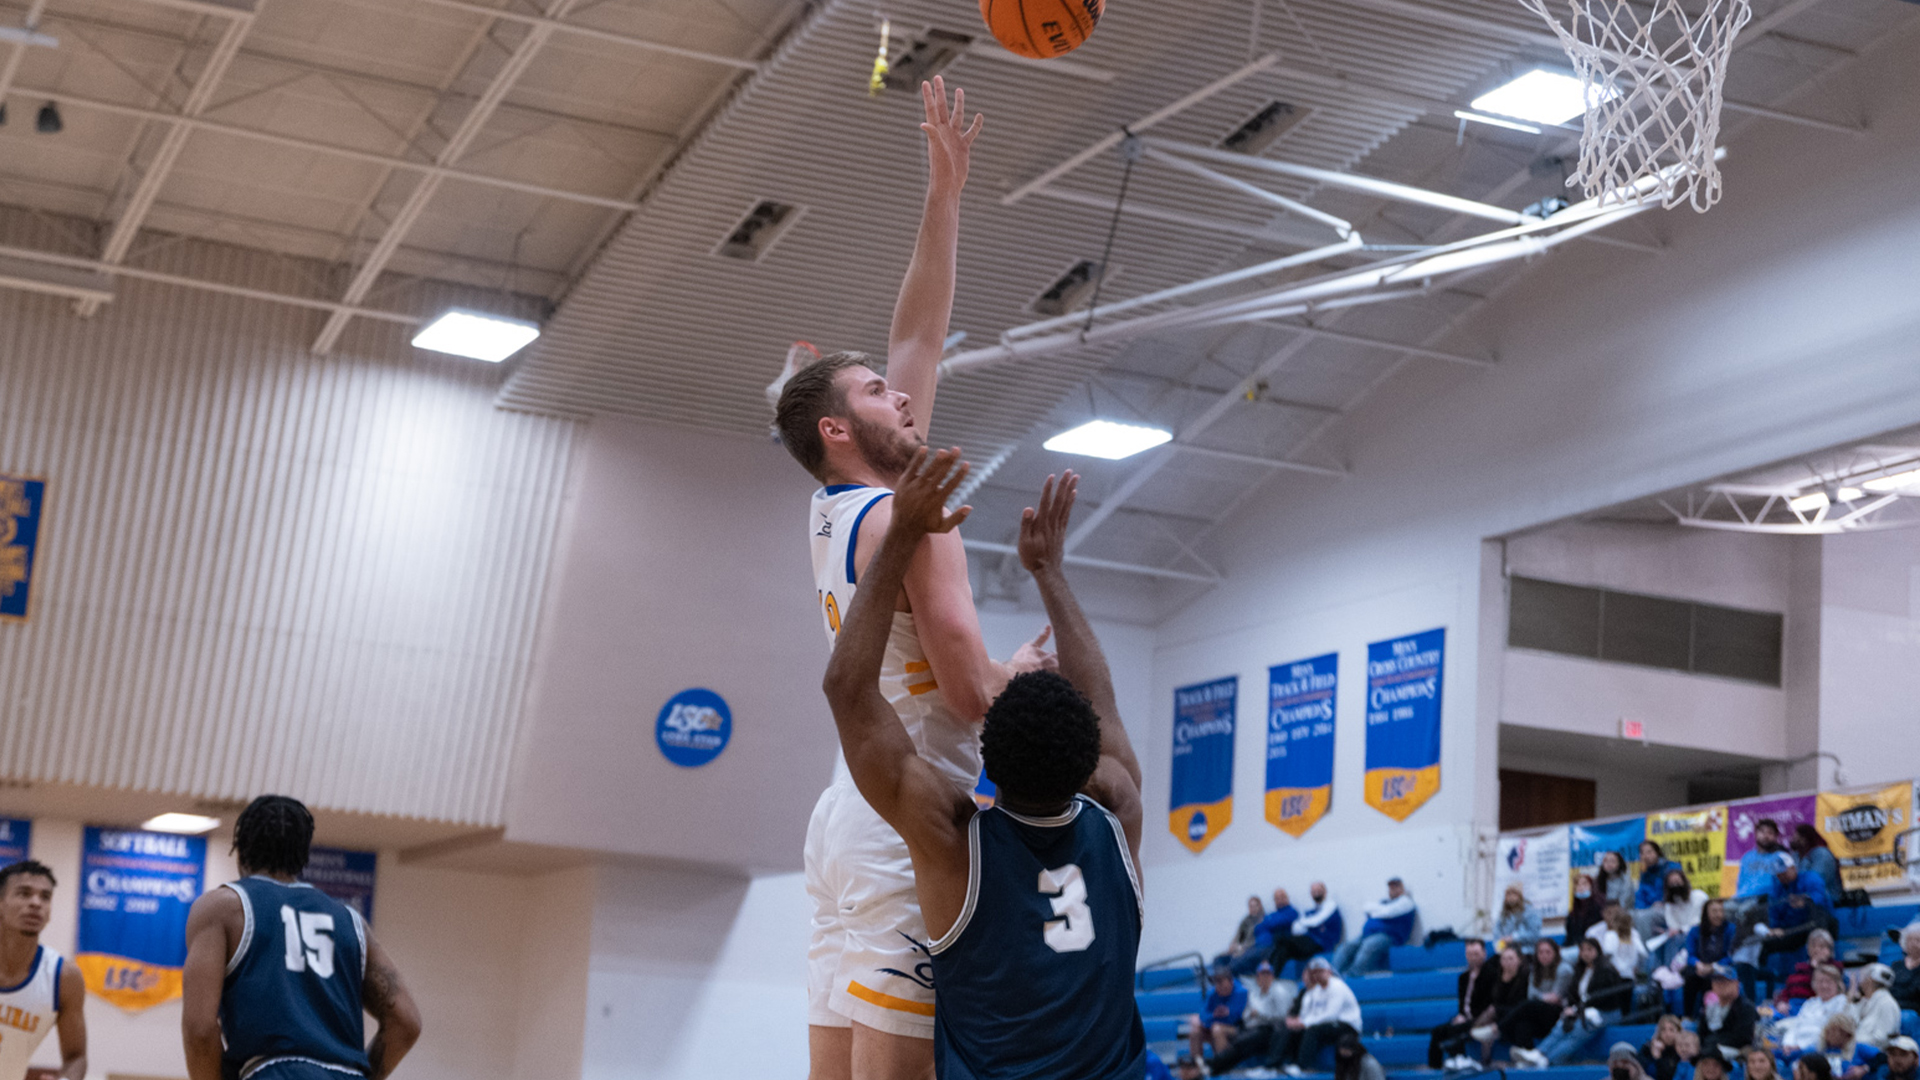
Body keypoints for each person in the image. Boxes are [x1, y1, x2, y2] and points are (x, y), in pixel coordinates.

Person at [781, 81, 1066, 1080]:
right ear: (837, 428)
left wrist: (944, 192)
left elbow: (920, 340)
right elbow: (967, 694)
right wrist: (1024, 673)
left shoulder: (833, 510)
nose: (900, 393)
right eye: (873, 392)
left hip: (842, 816)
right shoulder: (919, 519)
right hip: (908, 820)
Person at [820, 455, 1147, 1080]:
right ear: (1086, 762)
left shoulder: (955, 842)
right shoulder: (1118, 810)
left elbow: (847, 690)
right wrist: (1050, 572)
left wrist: (900, 537)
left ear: (986, 758)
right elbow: (1102, 704)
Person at [182, 795, 421, 1080]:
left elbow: (200, 1029)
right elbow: (406, 1022)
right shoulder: (351, 922)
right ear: (303, 856)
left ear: (240, 850)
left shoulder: (223, 907)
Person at [0, 859, 85, 1080]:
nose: (36, 903)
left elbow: (76, 1057)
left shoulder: (64, 977)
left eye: (45, 897)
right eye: (24, 893)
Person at [1528, 937, 1633, 1067]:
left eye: (1590, 949)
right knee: (1563, 1024)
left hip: (1606, 1012)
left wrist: (1579, 1009)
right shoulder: (1580, 970)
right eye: (1582, 949)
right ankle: (1539, 1053)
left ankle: (1550, 1060)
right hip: (1583, 1010)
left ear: (1597, 951)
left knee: (1579, 1028)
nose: (1586, 953)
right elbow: (1574, 995)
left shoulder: (1606, 970)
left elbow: (1603, 998)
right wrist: (1573, 1008)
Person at [1264, 957, 1362, 1077]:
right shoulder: (1314, 991)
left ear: (1329, 972)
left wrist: (1303, 1023)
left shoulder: (1337, 987)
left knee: (1312, 1030)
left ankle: (1302, 1067)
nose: (1318, 975)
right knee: (1292, 1030)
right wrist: (1298, 1022)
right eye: (1315, 972)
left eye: (1321, 971)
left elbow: (1331, 1015)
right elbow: (1308, 1015)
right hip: (1327, 1024)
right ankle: (1275, 1066)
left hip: (1347, 1025)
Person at [1208, 962, 1298, 1075]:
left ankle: (1212, 1063)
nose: (1264, 977)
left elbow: (1283, 1017)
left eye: (1267, 974)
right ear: (1257, 977)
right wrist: (1251, 1017)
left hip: (1269, 1029)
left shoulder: (1279, 992)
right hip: (1252, 1028)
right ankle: (1216, 1069)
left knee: (1243, 1042)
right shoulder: (1254, 994)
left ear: (1272, 976)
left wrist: (1260, 1015)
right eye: (1262, 974)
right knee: (1241, 1047)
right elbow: (1246, 1015)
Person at [1488, 939, 1566, 1064]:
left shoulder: (1564, 969)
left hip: (1558, 1014)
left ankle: (1497, 1028)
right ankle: (1525, 1059)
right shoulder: (1534, 970)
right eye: (1541, 952)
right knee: (1523, 1023)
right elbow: (1532, 995)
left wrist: (1541, 998)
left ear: (1555, 953)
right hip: (1539, 1013)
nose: (1544, 955)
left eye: (1548, 952)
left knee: (1526, 1006)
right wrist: (1543, 997)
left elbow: (1556, 997)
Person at [1428, 939, 1495, 1069]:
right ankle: (1434, 1068)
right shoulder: (1463, 978)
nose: (1473, 958)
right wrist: (1461, 1016)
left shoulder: (1491, 974)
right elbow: (1462, 1003)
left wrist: (1468, 1018)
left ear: (1484, 954)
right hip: (1465, 1017)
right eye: (1469, 954)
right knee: (1437, 1031)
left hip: (1481, 1018)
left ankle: (1460, 1060)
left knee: (1455, 1029)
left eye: (1476, 954)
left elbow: (1489, 1004)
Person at [1331, 880, 1416, 979]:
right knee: (1345, 947)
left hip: (1390, 937)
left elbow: (1388, 912)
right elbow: (1366, 907)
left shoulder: (1406, 902)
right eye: (1391, 887)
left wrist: (1377, 912)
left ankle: (1353, 977)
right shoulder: (1384, 902)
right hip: (1367, 935)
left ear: (1402, 888)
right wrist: (1381, 911)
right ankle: (1333, 976)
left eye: (1396, 887)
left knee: (1369, 945)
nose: (1393, 890)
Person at [1730, 821, 1797, 928]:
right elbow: (1741, 882)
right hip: (1740, 899)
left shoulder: (1781, 856)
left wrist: (1781, 866)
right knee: (1721, 909)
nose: (1766, 836)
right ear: (1756, 834)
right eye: (1762, 832)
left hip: (1764, 902)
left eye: (1770, 833)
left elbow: (1792, 877)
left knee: (1742, 913)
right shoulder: (1747, 856)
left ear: (1776, 837)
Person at [1763, 863, 1834, 961]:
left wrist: (1806, 900)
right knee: (1767, 941)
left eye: (1784, 872)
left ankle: (1822, 956)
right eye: (1779, 874)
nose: (1782, 876)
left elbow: (1821, 898)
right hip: (1795, 929)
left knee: (1817, 913)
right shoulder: (1777, 889)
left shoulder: (1809, 877)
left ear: (1793, 868)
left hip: (1819, 924)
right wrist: (1775, 929)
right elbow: (1774, 914)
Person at [1682, 899, 1739, 1015]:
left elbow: (1732, 955)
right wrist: (1698, 964)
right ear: (1706, 913)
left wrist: (1714, 966)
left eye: (1721, 911)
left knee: (1711, 979)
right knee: (1690, 976)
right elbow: (1690, 955)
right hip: (1701, 967)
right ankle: (1687, 1016)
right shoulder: (1695, 931)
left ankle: (1707, 1015)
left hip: (1721, 967)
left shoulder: (1731, 929)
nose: (1718, 915)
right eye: (1714, 911)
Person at [1782, 966, 1853, 1058]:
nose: (1824, 986)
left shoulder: (1842, 1003)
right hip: (1795, 1046)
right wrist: (1787, 1044)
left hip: (1818, 1048)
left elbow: (1829, 1033)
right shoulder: (1810, 1003)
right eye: (1820, 982)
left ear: (1837, 984)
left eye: (1828, 981)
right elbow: (1795, 1026)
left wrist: (1801, 1046)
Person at [1232, 890, 1302, 976]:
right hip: (1256, 946)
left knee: (1239, 963)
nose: (1279, 900)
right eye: (1276, 898)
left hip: (1269, 947)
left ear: (1287, 898)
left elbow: (1276, 923)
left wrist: (1267, 923)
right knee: (1232, 959)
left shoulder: (1292, 912)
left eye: (1282, 897)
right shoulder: (1270, 915)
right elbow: (1257, 928)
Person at [1650, 869, 1708, 967]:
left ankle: (1673, 972)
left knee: (1678, 939)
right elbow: (1672, 925)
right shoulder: (1670, 905)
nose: (1675, 886)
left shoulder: (1699, 896)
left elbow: (1701, 921)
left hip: (1699, 932)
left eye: (1677, 882)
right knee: (1663, 941)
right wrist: (1670, 931)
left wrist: (1681, 930)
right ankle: (1660, 974)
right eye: (1671, 884)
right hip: (1679, 934)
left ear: (1684, 881)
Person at [1192, 968, 1250, 1064]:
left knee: (1217, 1029)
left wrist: (1224, 1014)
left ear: (1230, 982)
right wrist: (1214, 1015)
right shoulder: (1212, 993)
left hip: (1238, 1029)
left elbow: (1237, 1017)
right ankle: (1196, 1066)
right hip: (1214, 1025)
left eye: (1221, 981)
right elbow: (1203, 1015)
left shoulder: (1241, 992)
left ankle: (1222, 1066)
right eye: (1216, 982)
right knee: (1195, 1031)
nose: (1219, 986)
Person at [1699, 965, 1760, 1055]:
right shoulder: (1710, 1007)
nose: (1719, 984)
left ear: (1736, 983)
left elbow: (1742, 1038)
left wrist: (1711, 1043)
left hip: (1737, 1051)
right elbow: (1701, 1033)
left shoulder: (1746, 1007)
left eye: (1724, 981)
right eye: (1716, 981)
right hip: (1711, 1048)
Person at [1636, 842, 1686, 940]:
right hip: (1652, 909)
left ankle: (1646, 951)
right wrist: (1644, 908)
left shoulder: (1671, 867)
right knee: (1635, 915)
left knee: (1643, 918)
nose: (1646, 856)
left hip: (1671, 906)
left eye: (1649, 852)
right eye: (1643, 853)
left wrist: (1663, 902)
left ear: (1657, 852)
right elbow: (1640, 897)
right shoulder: (1644, 875)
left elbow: (1678, 890)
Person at [1779, 930, 1839, 1007]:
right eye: (1813, 946)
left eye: (1822, 946)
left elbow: (1821, 991)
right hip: (1791, 1006)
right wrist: (1782, 1002)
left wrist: (1815, 968)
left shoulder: (1835, 970)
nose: (1816, 950)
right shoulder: (1799, 968)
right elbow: (1786, 990)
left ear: (1830, 951)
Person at [1593, 903, 1650, 978]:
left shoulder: (1632, 934)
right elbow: (1607, 954)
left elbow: (1643, 954)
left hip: (1625, 975)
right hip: (1618, 975)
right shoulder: (1613, 935)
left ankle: (1641, 985)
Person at [1790, 826, 1843, 903]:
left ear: (1805, 839)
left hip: (1827, 901)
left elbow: (1816, 881)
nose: (1792, 839)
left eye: (1796, 837)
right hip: (1802, 902)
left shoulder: (1822, 854)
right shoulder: (1796, 856)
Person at [1854, 965, 1903, 1051]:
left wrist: (1851, 1043)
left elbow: (1882, 1039)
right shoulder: (1864, 1001)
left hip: (1873, 1055)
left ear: (1869, 981)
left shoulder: (1887, 1004)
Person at [1291, 884, 1344, 961]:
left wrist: (1302, 923)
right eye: (1314, 891)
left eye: (1319, 890)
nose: (1316, 893)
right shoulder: (1310, 912)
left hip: (1326, 944)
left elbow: (1316, 921)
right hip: (1312, 942)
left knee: (1290, 944)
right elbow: (1295, 928)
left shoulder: (1331, 906)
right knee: (1285, 945)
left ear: (1325, 892)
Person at [1223, 897, 1270, 967]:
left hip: (1251, 950)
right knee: (1220, 959)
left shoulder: (1264, 920)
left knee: (1234, 963)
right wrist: (1233, 946)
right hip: (1239, 950)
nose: (1253, 909)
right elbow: (1239, 937)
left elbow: (1257, 940)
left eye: (1255, 906)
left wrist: (1241, 949)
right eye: (1251, 906)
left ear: (1260, 906)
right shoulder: (1246, 921)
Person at [1639, 1015, 1687, 1080]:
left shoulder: (1683, 1051)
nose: (1667, 1034)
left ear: (1678, 1032)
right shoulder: (1647, 1048)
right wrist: (1654, 1056)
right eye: (1663, 1030)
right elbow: (1639, 1071)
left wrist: (1657, 1058)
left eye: (1671, 1030)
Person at [1568, 873, 1608, 945]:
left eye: (1584, 884)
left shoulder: (1599, 908)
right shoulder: (1572, 914)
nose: (1581, 888)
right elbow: (1570, 937)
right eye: (1577, 885)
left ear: (1591, 886)